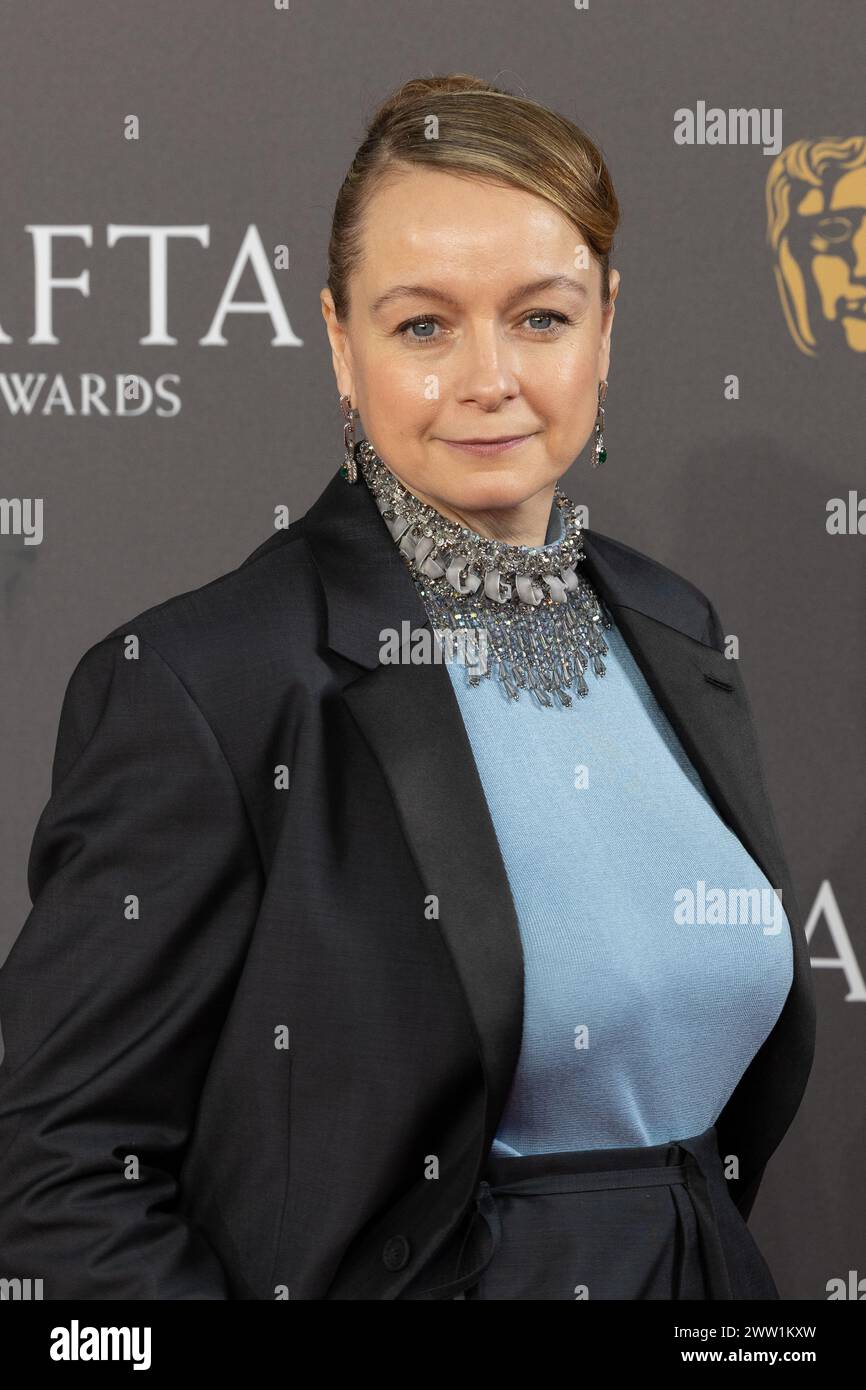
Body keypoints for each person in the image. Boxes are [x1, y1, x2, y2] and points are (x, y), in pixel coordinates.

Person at [0, 73, 815, 1300]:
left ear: (607, 321)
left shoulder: (673, 624)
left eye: (539, 317)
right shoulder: (210, 682)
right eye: (422, 325)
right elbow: (57, 1175)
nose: (486, 377)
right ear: (338, 340)